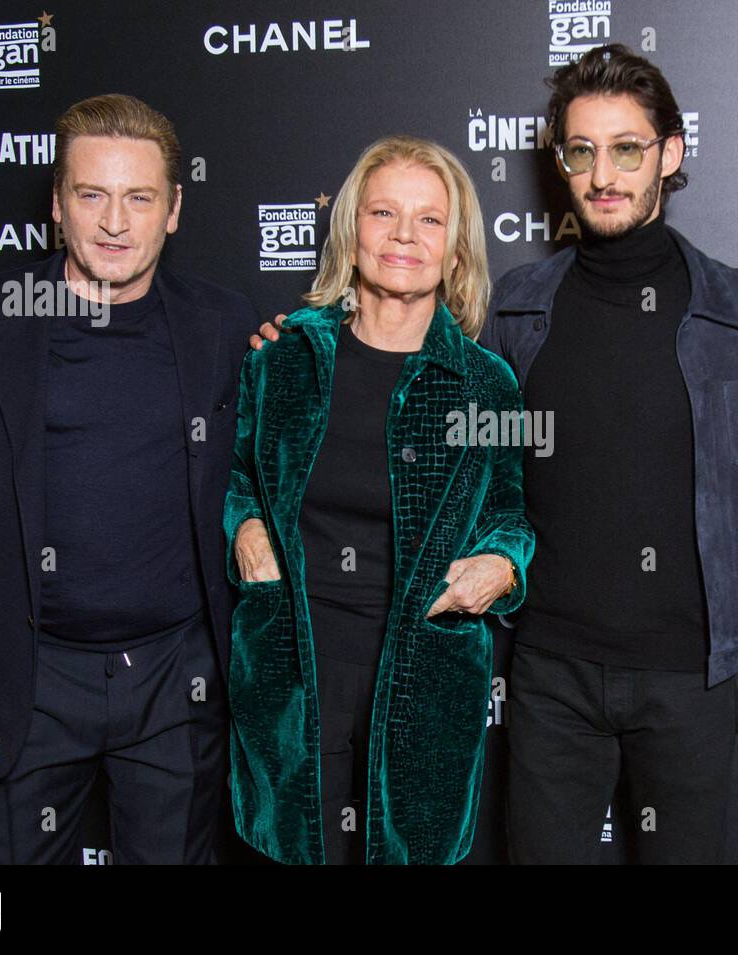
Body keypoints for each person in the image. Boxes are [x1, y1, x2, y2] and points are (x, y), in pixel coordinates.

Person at [0, 93, 260, 863]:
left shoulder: (224, 326)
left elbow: (272, 464)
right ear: (58, 205)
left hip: (176, 679)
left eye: (138, 198)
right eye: (91, 195)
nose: (115, 223)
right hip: (26, 677)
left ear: (174, 209)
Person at [482, 44, 738, 864]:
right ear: (561, 162)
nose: (602, 173)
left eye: (627, 148)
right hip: (549, 675)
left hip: (690, 677)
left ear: (671, 155)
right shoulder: (518, 305)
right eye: (581, 151)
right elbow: (464, 455)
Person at [226, 135, 534, 865]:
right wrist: (244, 526)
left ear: (455, 247)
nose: (404, 235)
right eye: (384, 212)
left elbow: (511, 516)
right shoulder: (285, 358)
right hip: (294, 657)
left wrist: (500, 564)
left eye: (430, 220)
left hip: (423, 667)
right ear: (351, 230)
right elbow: (239, 474)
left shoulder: (487, 382)